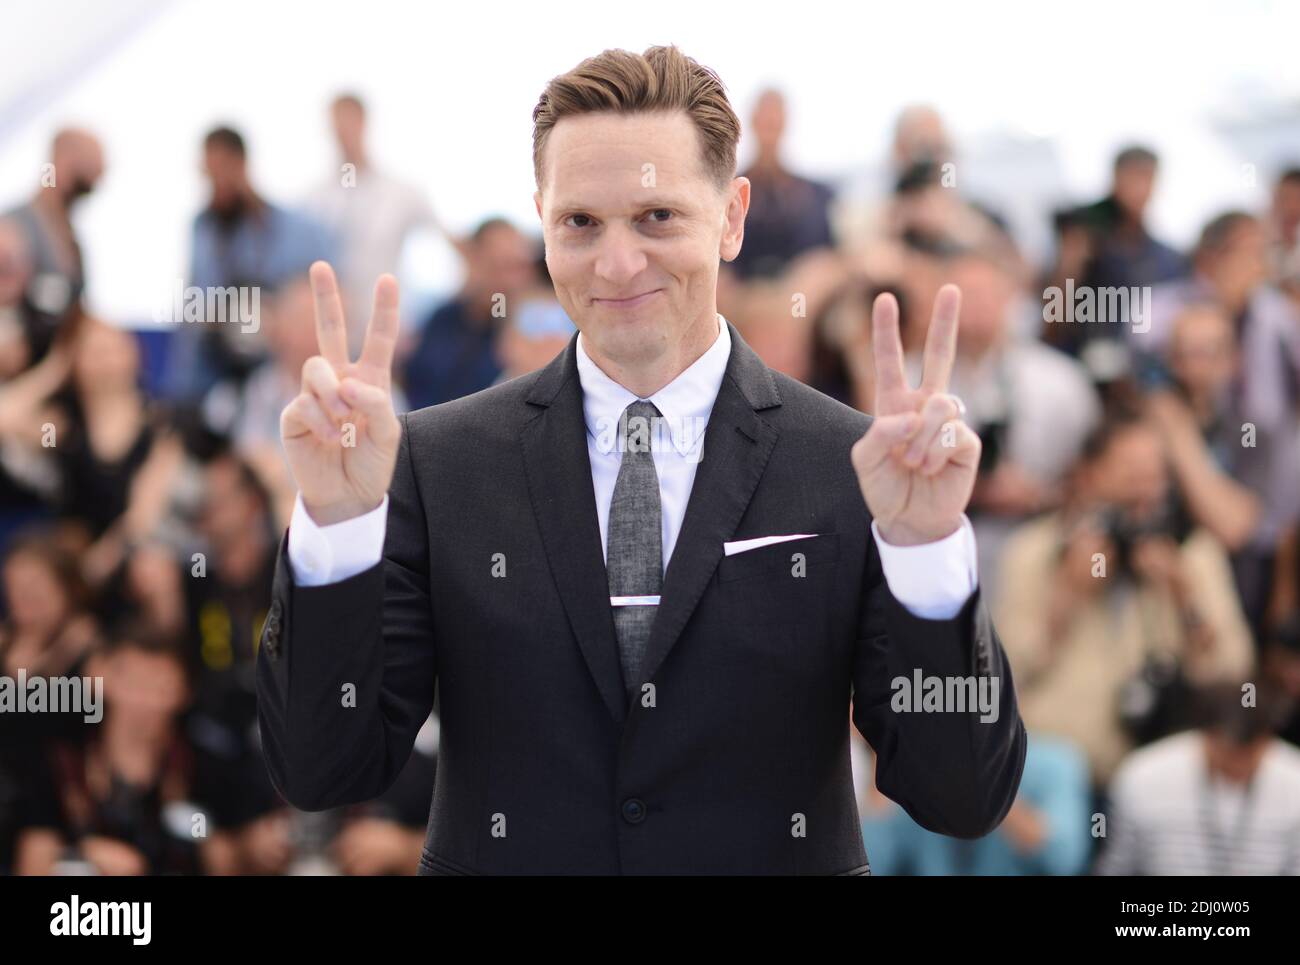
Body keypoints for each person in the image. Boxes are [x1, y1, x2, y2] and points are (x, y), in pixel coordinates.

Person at [257, 45, 1025, 875]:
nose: (617, 263)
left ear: (732, 217)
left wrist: (927, 552)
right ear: (543, 221)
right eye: (580, 222)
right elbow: (322, 768)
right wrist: (335, 529)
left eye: (657, 217)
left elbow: (962, 795)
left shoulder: (851, 466)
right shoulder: (436, 463)